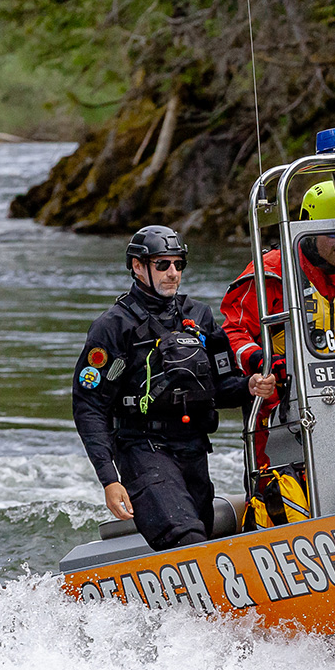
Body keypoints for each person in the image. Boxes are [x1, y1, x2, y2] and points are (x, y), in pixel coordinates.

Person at [219, 180, 335, 518]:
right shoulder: (270, 275)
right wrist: (260, 361)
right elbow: (233, 330)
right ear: (308, 231)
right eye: (333, 235)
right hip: (284, 412)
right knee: (279, 501)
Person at [72, 226, 252, 550]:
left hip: (193, 449)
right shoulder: (113, 327)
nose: (172, 273)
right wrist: (109, 479)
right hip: (142, 450)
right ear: (138, 267)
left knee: (202, 532)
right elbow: (89, 406)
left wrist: (251, 386)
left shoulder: (200, 317)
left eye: (178, 265)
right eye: (162, 265)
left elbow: (221, 388)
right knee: (186, 537)